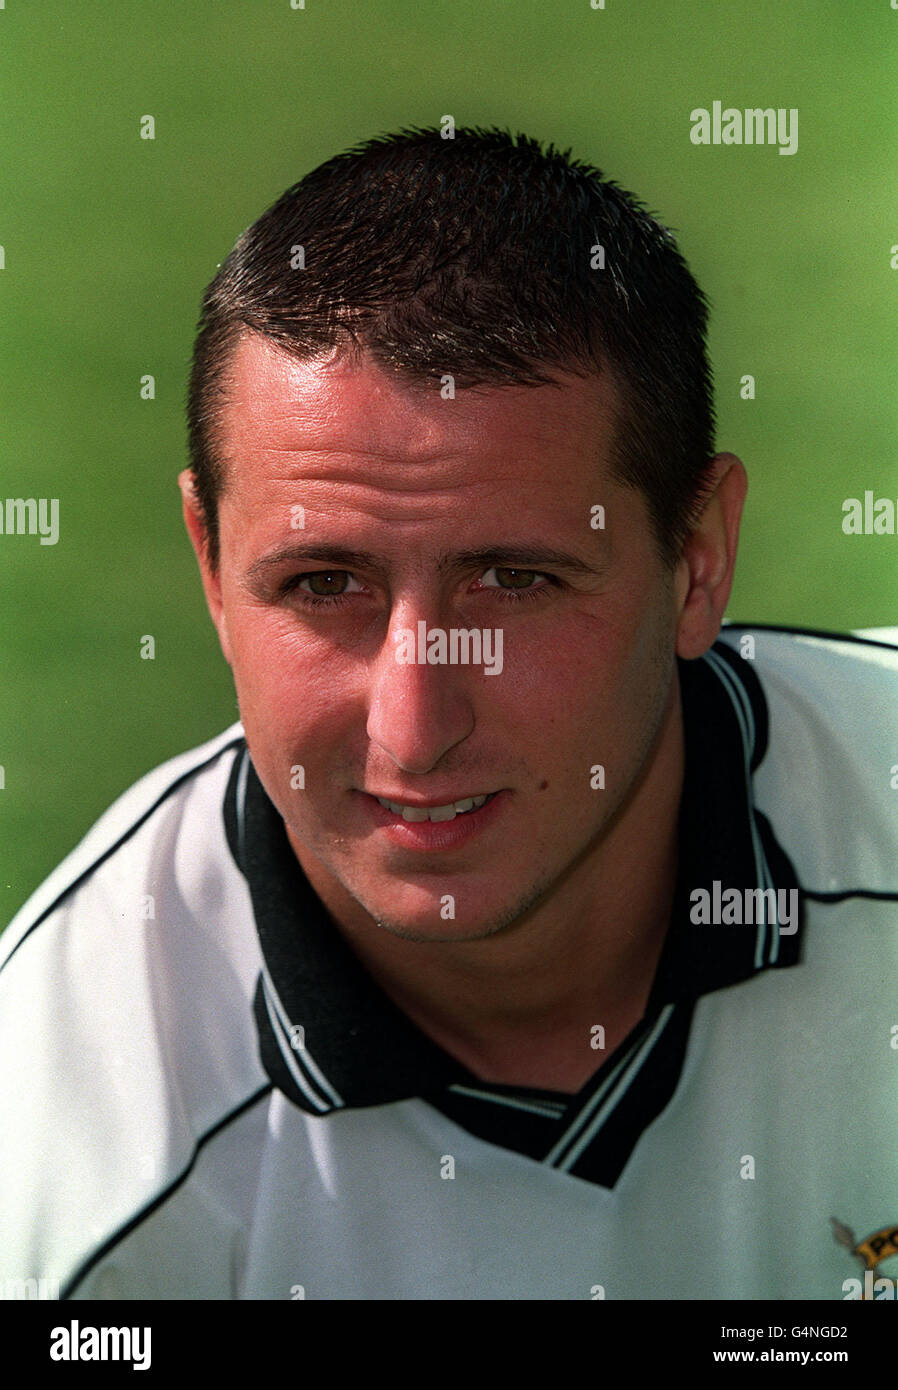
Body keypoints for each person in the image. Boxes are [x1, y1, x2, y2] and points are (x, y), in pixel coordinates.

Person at [2, 126, 896, 1302]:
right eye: (323, 585)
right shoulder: (66, 1188)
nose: (412, 729)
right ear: (211, 567)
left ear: (696, 558)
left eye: (515, 581)